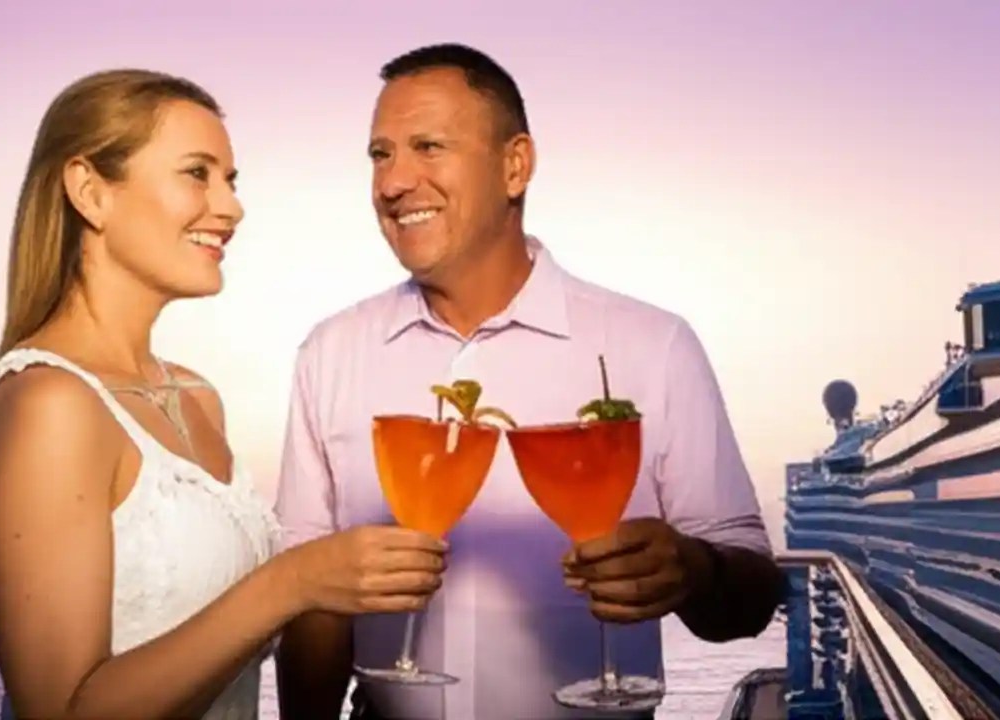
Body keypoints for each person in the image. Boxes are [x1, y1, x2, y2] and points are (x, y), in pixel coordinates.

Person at [273, 43, 789, 719]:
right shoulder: (329, 353)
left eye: (427, 146)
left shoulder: (654, 346)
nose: (393, 181)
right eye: (380, 154)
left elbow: (749, 600)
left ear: (516, 165)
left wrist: (694, 569)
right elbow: (311, 606)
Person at [0, 69, 448, 720]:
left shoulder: (195, 398)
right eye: (197, 173)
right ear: (90, 192)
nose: (231, 207)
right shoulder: (50, 406)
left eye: (231, 180)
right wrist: (292, 583)